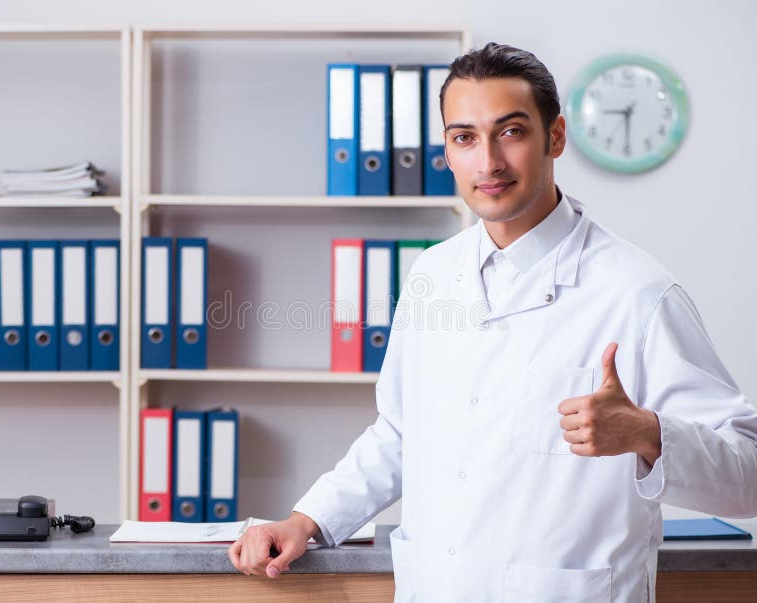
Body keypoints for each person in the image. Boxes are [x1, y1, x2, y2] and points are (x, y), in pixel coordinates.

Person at [229, 42, 757, 602]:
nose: (489, 162)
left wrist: (647, 434)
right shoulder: (433, 273)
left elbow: (748, 473)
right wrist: (307, 519)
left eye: (511, 132)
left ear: (555, 137)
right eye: (465, 138)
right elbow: (400, 432)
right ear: (447, 151)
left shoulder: (636, 293)